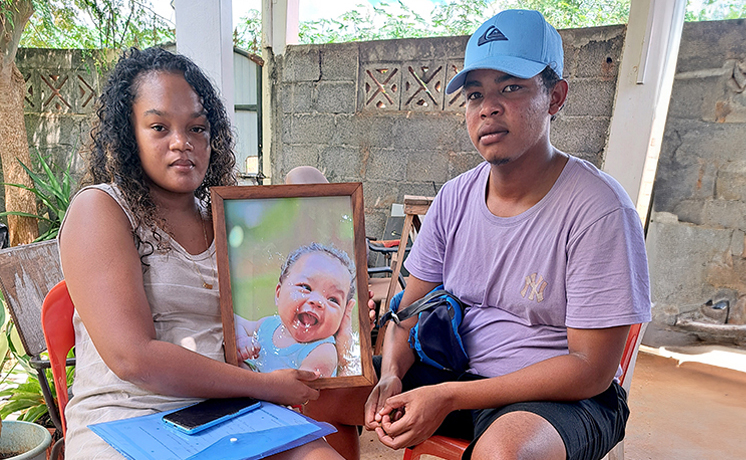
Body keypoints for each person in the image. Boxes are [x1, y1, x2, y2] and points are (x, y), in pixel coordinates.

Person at [307, 9, 652, 460]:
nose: (488, 107)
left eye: (511, 87)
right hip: (453, 368)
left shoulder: (599, 210)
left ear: (556, 96)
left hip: (555, 396)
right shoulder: (454, 198)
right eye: (474, 94)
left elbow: (590, 369)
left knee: (503, 455)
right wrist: (391, 370)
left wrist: (449, 397)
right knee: (317, 395)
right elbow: (409, 310)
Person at [58, 47, 343, 460]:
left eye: (197, 128)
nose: (182, 143)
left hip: (230, 412)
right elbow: (132, 357)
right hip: (126, 420)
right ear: (128, 134)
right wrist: (264, 386)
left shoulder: (227, 217)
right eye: (159, 127)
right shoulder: (101, 209)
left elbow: (310, 191)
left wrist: (347, 312)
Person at [236, 243, 357, 378]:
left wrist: (243, 371)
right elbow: (234, 321)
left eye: (333, 299)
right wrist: (241, 339)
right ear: (278, 294)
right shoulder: (269, 325)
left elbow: (295, 392)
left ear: (343, 316)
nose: (317, 301)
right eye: (306, 287)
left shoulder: (323, 352)